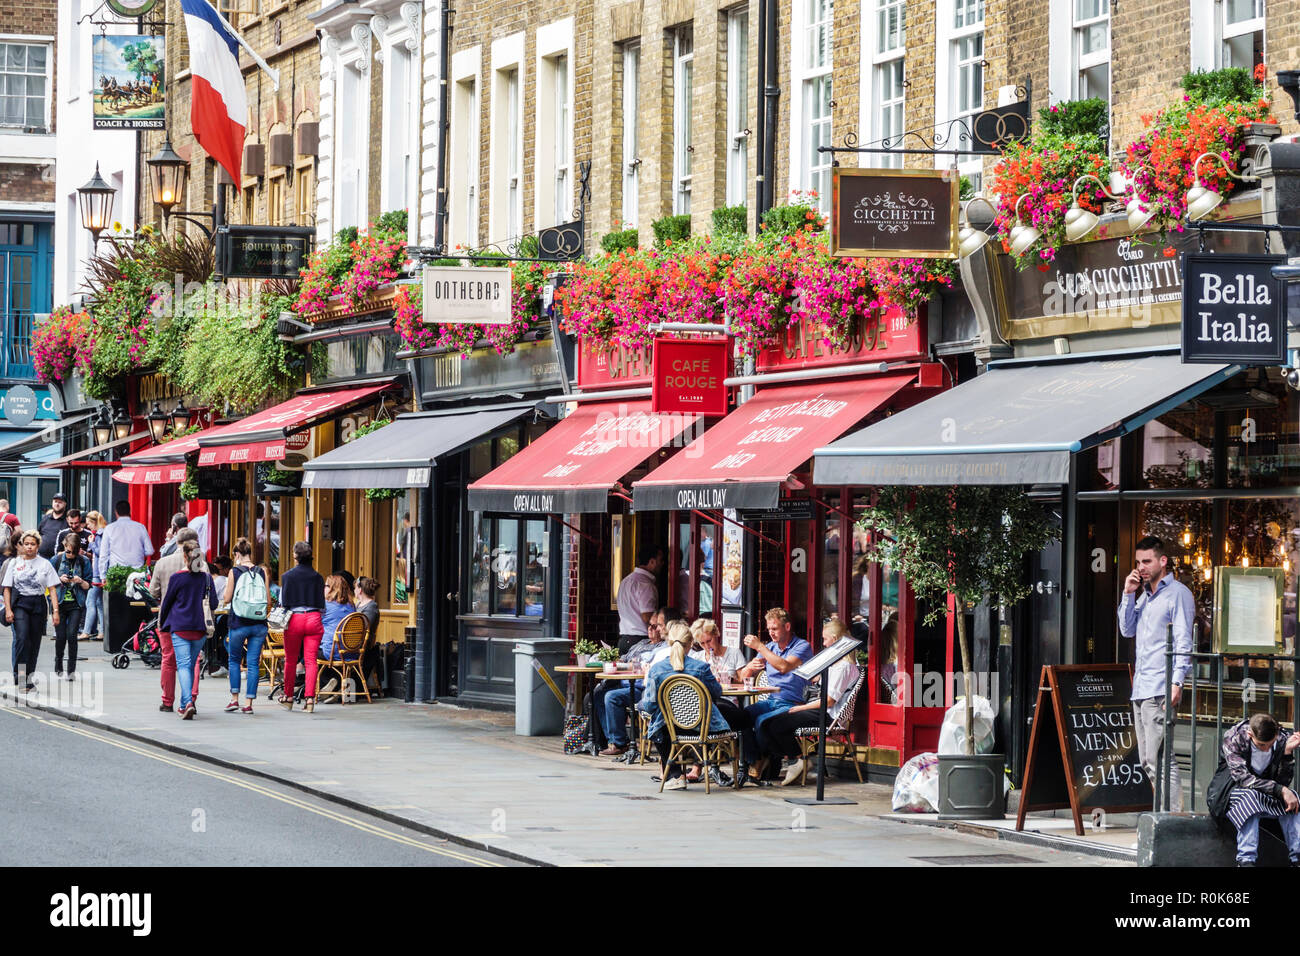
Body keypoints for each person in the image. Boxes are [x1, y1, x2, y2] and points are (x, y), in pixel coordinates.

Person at [1118, 535, 1193, 812]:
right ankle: (1165, 815)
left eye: (1147, 561)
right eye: (1138, 562)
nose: (1141, 567)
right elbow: (1127, 630)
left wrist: (1177, 683)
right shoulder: (1144, 596)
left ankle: (1172, 821)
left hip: (1161, 687)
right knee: (1147, 760)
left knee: (1160, 759)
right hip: (1141, 687)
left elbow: (1185, 641)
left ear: (1163, 561)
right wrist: (1128, 593)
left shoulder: (1178, 594)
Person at [761, 619, 861, 786]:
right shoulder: (835, 664)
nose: (823, 643)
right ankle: (802, 759)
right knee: (767, 723)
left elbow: (829, 701)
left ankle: (799, 759)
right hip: (818, 709)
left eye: (825, 639)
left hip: (829, 716)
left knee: (774, 725)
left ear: (835, 639)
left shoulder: (844, 667)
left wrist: (801, 708)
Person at [640, 621, 731, 791]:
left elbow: (650, 705)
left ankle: (675, 775)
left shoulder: (656, 670)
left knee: (656, 723)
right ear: (691, 644)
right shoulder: (701, 668)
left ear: (669, 642)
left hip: (670, 730)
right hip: (702, 727)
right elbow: (717, 693)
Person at [1211, 713, 1300, 867]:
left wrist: (1286, 754)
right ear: (1250, 734)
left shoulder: (1281, 740)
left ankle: (1296, 858)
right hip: (1230, 792)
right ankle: (1246, 860)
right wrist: (1281, 790)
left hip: (1264, 794)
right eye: (1260, 745)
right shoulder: (1234, 738)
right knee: (1250, 797)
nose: (1265, 749)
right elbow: (1243, 779)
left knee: (1294, 800)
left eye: (1269, 744)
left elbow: (1282, 782)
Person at [736, 607, 814, 785]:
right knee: (742, 717)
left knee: (762, 721)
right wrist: (750, 668)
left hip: (793, 702)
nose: (771, 632)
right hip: (771, 700)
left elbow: (784, 666)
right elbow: (743, 677)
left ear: (787, 627)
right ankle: (756, 758)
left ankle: (768, 759)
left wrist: (760, 647)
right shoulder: (770, 648)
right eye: (769, 629)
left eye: (775, 628)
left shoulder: (802, 646)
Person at [595, 607, 677, 756]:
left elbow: (647, 668)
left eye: (656, 626)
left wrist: (632, 664)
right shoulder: (641, 643)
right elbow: (624, 659)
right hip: (624, 683)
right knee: (598, 693)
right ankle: (614, 739)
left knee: (611, 697)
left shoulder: (665, 647)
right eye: (650, 626)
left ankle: (619, 743)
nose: (652, 629)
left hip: (641, 688)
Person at [158, 539, 218, 719]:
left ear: (185, 556)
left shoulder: (177, 578)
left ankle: (188, 703)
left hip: (180, 628)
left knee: (183, 666)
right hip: (200, 629)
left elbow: (167, 603)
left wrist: (163, 623)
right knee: (190, 666)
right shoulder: (206, 578)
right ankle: (185, 704)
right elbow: (213, 603)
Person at [150, 529, 206, 712]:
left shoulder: (162, 563)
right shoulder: (202, 565)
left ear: (177, 542)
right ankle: (190, 698)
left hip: (168, 621)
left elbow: (153, 592)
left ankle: (167, 701)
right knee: (193, 661)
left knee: (168, 660)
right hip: (195, 621)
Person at [3, 530, 60, 690]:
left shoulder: (45, 564)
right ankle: (20, 676)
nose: (29, 547)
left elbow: (52, 589)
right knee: (22, 638)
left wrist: (55, 611)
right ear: (21, 545)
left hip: (38, 604)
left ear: (38, 546)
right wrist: (8, 610)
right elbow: (6, 588)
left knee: (34, 642)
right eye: (26, 544)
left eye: (32, 544)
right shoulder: (14, 563)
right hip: (20, 603)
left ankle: (28, 677)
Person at [223, 537, 271, 714]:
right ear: (250, 553)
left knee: (234, 660)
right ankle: (249, 703)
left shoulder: (234, 572)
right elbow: (267, 599)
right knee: (252, 663)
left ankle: (234, 699)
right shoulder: (261, 571)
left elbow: (227, 598)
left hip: (238, 623)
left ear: (237, 554)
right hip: (258, 624)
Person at [279, 541, 325, 712]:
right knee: (311, 661)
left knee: (290, 660)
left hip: (295, 619)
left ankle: (289, 696)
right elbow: (322, 606)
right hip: (313, 618)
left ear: (294, 556)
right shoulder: (318, 577)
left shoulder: (287, 577)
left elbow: (284, 603)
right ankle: (310, 699)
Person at [52, 533, 93, 679]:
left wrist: (80, 581)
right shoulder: (56, 560)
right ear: (64, 546)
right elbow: (47, 583)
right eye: (68, 551)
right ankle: (58, 662)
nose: (70, 555)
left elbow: (88, 586)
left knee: (72, 635)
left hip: (76, 603)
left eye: (74, 552)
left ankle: (71, 670)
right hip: (60, 603)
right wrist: (58, 579)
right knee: (61, 636)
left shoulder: (84, 561)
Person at [615, 544, 664, 654]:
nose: (662, 564)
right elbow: (648, 617)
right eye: (660, 560)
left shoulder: (625, 581)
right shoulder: (645, 584)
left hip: (624, 639)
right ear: (652, 562)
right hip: (640, 640)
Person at [98, 500, 155, 582]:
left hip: (116, 574)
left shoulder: (109, 528)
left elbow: (104, 555)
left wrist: (103, 575)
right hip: (136, 574)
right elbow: (149, 550)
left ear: (116, 512)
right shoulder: (140, 527)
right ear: (129, 511)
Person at [319, 574, 356, 660]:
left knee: (304, 643)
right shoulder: (351, 606)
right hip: (352, 653)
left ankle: (300, 669)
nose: (323, 588)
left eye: (326, 586)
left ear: (333, 588)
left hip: (331, 653)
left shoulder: (325, 605)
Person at [81, 511, 104, 645]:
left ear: (94, 522)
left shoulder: (99, 534)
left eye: (89, 523)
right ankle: (102, 631)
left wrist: (91, 543)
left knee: (90, 601)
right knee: (99, 603)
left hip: (97, 573)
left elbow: (100, 552)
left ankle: (86, 631)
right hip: (100, 572)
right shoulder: (101, 533)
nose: (88, 527)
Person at [37, 491, 70, 559]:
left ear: (65, 504)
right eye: (55, 501)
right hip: (42, 557)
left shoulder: (68, 520)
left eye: (60, 502)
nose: (57, 504)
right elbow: (38, 534)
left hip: (60, 558)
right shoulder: (46, 518)